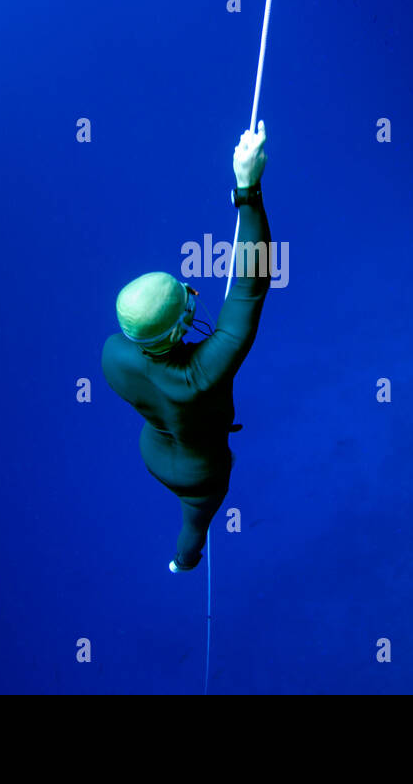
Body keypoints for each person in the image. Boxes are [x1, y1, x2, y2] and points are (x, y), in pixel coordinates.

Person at [102, 122, 271, 573]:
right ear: (179, 330)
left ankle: (182, 562)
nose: (192, 289)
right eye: (185, 295)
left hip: (153, 451)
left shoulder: (112, 354)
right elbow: (250, 287)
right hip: (199, 477)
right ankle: (184, 561)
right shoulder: (204, 374)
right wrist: (247, 187)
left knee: (192, 523)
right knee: (195, 524)